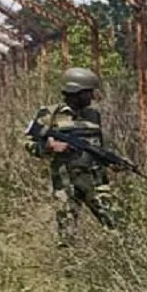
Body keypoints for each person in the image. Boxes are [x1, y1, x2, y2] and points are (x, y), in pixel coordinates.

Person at [24, 67, 119, 245]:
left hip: (95, 180)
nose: (91, 97)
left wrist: (111, 162)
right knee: (67, 235)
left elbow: (97, 147)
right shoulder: (49, 114)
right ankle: (69, 261)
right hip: (65, 181)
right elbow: (28, 144)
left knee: (115, 223)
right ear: (75, 91)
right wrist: (49, 147)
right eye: (87, 92)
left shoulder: (93, 115)